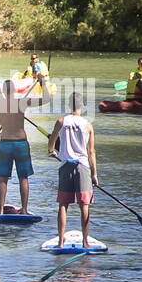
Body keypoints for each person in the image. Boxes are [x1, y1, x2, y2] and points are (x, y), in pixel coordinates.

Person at [48, 92, 99, 248]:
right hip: (83, 166)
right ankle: (85, 241)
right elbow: (91, 152)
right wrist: (94, 174)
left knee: (63, 205)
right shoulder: (88, 125)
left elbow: (52, 139)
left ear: (69, 105)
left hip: (65, 166)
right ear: (82, 106)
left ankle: (60, 242)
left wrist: (51, 150)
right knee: (84, 205)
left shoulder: (61, 121)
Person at [0, 77, 33, 215]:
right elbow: (45, 99)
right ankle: (25, 210)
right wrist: (42, 82)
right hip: (21, 143)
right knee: (23, 178)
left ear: (3, 91)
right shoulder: (21, 103)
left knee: (2, 179)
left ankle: (1, 210)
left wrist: (3, 123)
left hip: (5, 144)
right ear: (15, 90)